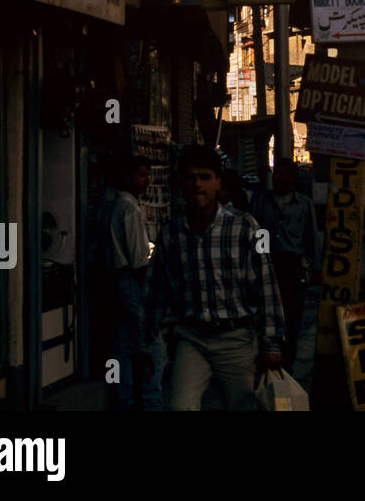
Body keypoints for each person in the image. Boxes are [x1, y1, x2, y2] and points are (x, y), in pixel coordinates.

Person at [143, 145, 284, 411]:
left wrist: (271, 343)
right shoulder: (172, 234)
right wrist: (148, 341)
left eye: (205, 177)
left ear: (218, 181)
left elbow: (266, 286)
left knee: (242, 405)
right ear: (181, 182)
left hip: (236, 339)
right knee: (179, 405)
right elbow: (156, 293)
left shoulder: (245, 227)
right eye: (190, 177)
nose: (197, 184)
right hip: (191, 338)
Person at [104, 153, 165, 410]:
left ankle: (124, 399)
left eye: (147, 175)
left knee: (124, 344)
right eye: (141, 175)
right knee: (152, 348)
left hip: (119, 280)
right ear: (127, 177)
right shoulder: (128, 209)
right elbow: (139, 261)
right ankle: (148, 402)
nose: (147, 181)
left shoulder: (114, 206)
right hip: (131, 281)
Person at [249, 158, 319, 367]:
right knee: (264, 316)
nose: (279, 178)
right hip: (266, 264)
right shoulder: (260, 201)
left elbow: (311, 237)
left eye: (284, 174)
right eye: (276, 173)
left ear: (293, 178)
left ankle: (287, 365)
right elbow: (253, 234)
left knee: (291, 317)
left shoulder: (304, 204)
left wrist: (315, 267)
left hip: (292, 266)